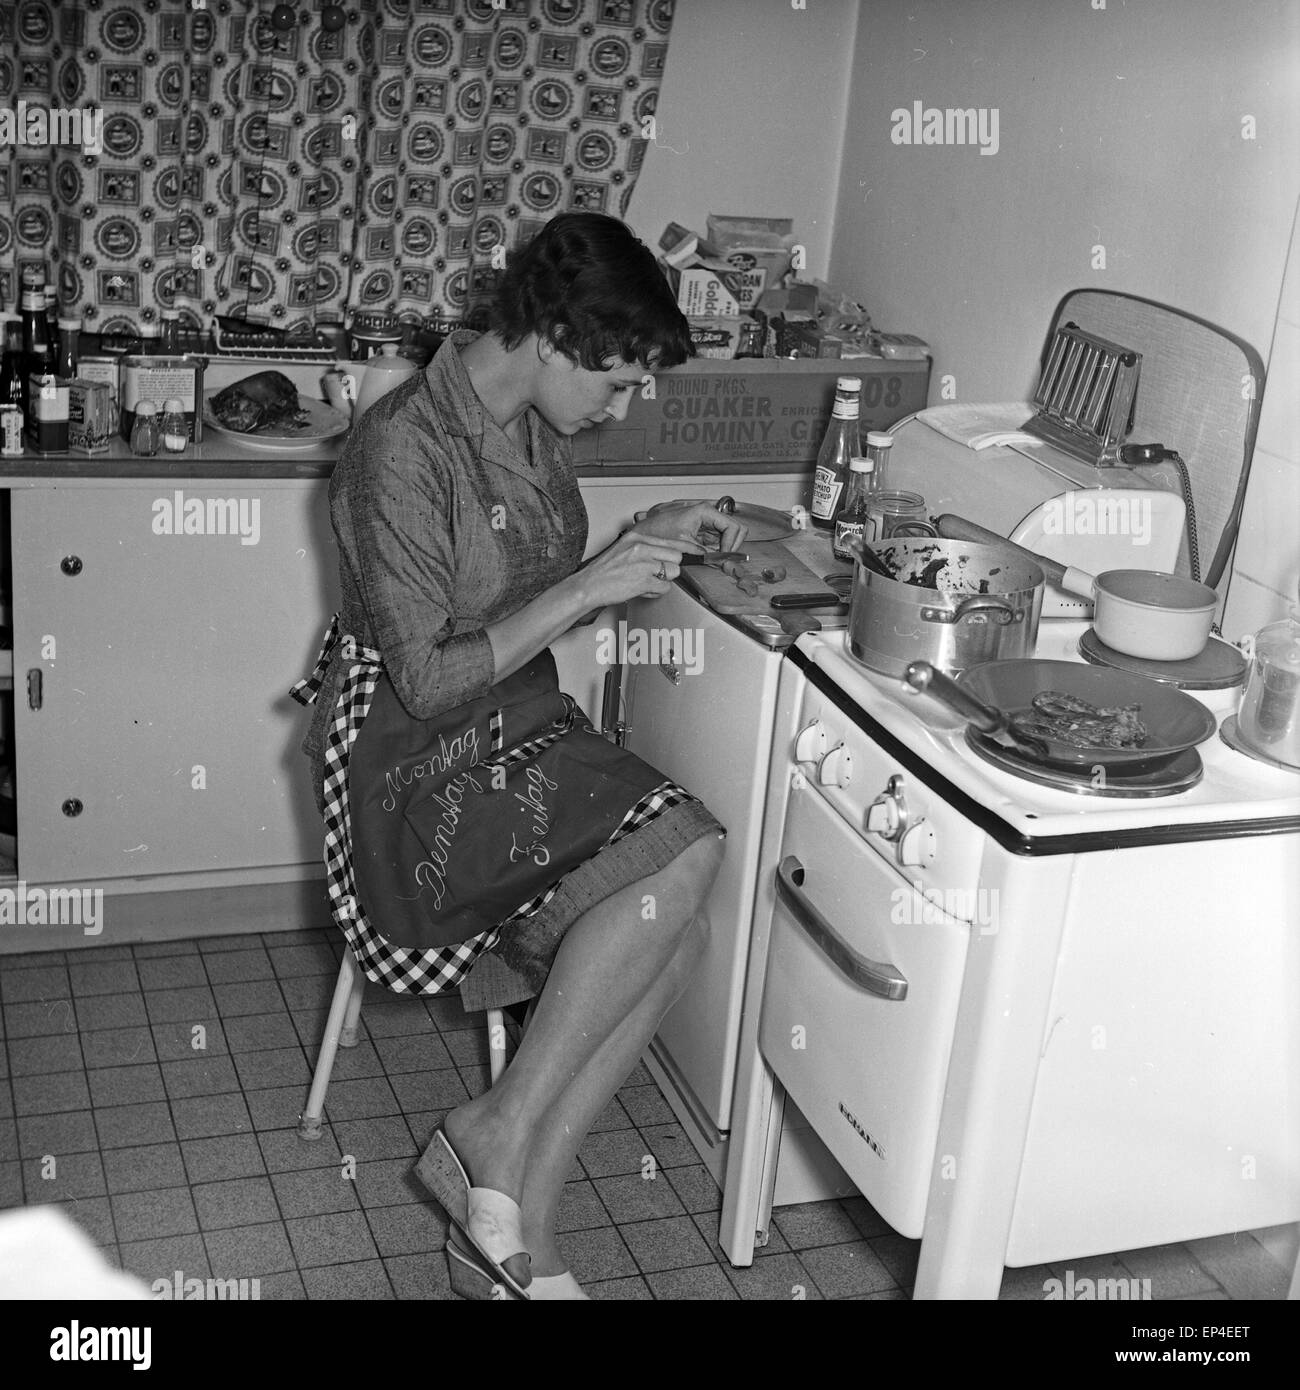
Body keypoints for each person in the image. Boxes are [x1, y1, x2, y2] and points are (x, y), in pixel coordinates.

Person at [295, 212, 748, 1300]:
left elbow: (519, 590)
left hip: (515, 723)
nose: (623, 407)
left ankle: (512, 1216)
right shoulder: (399, 449)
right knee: (685, 856)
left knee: (676, 923)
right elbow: (428, 678)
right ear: (552, 336)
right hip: (412, 758)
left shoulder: (531, 423)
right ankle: (494, 1136)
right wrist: (592, 587)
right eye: (619, 381)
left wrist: (644, 533)